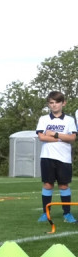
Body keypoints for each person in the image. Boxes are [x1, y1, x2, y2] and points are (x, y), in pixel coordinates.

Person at [36, 91, 76, 223]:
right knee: (47, 185)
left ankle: (67, 214)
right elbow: (41, 137)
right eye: (51, 103)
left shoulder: (69, 120)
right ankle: (45, 213)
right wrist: (61, 138)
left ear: (63, 103)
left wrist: (54, 134)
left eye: (57, 102)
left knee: (64, 185)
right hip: (47, 156)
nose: (54, 105)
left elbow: (72, 138)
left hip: (64, 158)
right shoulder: (43, 119)